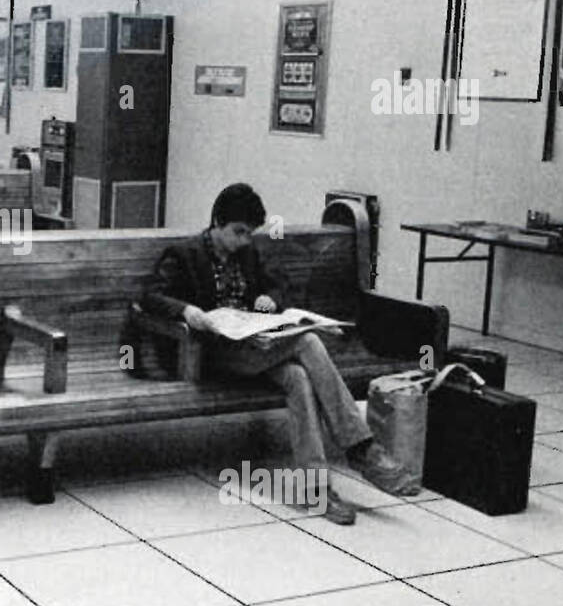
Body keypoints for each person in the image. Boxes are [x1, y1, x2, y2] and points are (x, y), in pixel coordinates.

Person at [142, 182, 413, 525]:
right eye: (238, 232)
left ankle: (313, 488)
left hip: (257, 345)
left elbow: (277, 283)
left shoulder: (247, 253)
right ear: (216, 222)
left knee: (298, 377)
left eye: (249, 233)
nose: (244, 240)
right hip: (213, 353)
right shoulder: (185, 254)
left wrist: (270, 299)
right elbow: (150, 296)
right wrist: (187, 311)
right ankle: (360, 447)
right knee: (308, 342)